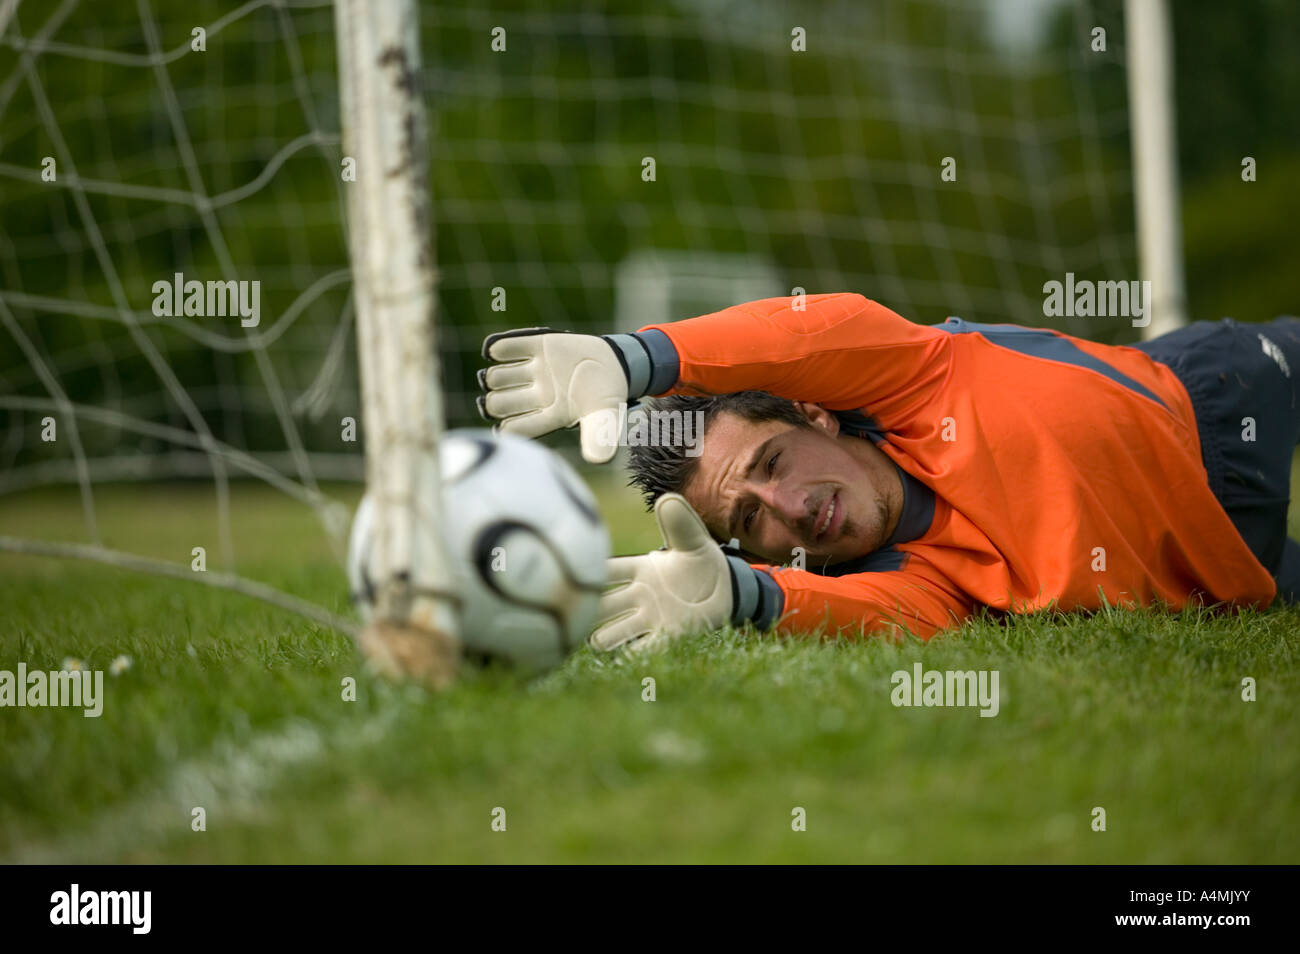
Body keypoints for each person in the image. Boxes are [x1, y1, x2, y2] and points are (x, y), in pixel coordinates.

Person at [477, 294, 1300, 652]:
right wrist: (738, 598)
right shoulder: (917, 582)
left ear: (814, 414)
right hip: (1236, 567)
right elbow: (868, 614)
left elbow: (803, 334)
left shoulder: (910, 375)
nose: (786, 509)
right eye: (748, 523)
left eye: (769, 464)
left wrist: (641, 358)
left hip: (1210, 398)